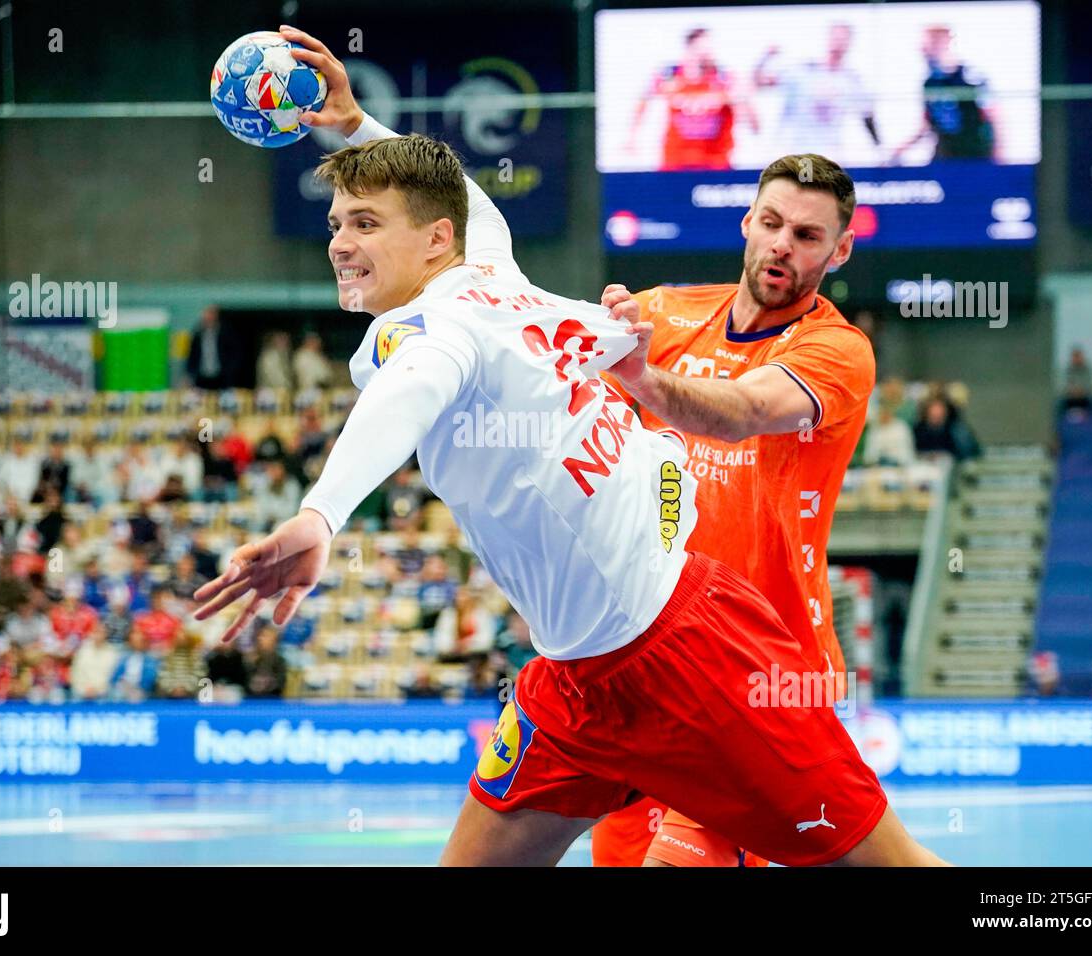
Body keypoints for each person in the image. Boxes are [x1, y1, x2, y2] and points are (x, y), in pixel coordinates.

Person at [193, 27, 943, 869]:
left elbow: (409, 389)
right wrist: (357, 126)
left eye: (364, 223)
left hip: (700, 657)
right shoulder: (492, 265)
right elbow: (457, 199)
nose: (339, 241)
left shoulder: (433, 333)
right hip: (575, 674)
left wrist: (320, 515)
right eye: (338, 221)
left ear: (434, 241)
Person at [592, 152, 876, 866]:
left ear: (839, 250)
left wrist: (643, 378)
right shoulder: (667, 312)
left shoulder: (836, 350)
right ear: (748, 222)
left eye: (808, 236)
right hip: (645, 663)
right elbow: (523, 315)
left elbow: (747, 410)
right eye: (773, 223)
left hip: (760, 672)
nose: (784, 243)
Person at [624, 26, 757, 172]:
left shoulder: (724, 78)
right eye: (701, 49)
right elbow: (644, 98)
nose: (706, 54)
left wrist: (741, 99)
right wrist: (632, 137)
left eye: (709, 49)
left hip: (715, 165)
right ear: (689, 49)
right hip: (675, 163)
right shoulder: (669, 75)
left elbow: (752, 123)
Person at [753, 22, 880, 165]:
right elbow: (759, 82)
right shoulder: (802, 71)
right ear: (828, 38)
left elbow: (868, 116)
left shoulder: (851, 81)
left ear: (849, 43)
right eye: (836, 37)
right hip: (791, 155)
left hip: (826, 159)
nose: (838, 43)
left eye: (843, 39)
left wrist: (881, 152)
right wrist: (765, 57)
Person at [892, 24, 997, 163]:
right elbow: (926, 123)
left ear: (943, 42)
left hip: (975, 155)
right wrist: (898, 150)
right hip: (945, 155)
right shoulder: (929, 83)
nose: (923, 51)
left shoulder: (971, 77)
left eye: (928, 45)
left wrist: (998, 154)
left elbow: (994, 116)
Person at [186, 305, 238, 390]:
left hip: (221, 377)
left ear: (215, 316)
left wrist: (229, 370)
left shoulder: (225, 332)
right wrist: (190, 373)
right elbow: (192, 355)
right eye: (206, 315)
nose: (208, 317)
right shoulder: (198, 333)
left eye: (210, 314)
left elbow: (234, 352)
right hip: (202, 377)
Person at [1061, 346, 1092, 414]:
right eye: (1075, 357)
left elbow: (1091, 384)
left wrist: (1082, 391)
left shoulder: (1088, 370)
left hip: (1085, 397)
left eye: (1078, 356)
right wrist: (1073, 391)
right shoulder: (1067, 370)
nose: (1077, 359)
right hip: (1070, 398)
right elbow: (1063, 385)